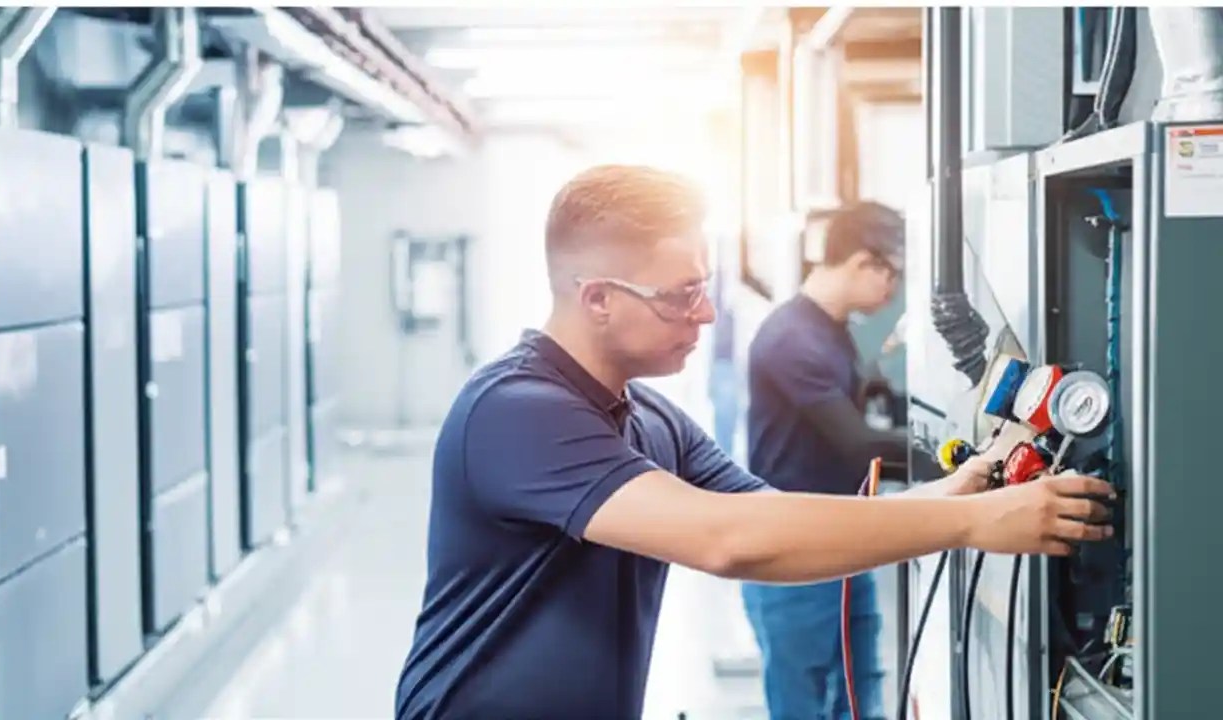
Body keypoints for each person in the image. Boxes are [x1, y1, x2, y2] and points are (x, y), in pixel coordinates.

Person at [394, 165, 1114, 720]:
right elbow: (728, 540)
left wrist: (955, 490)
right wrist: (972, 524)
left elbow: (773, 516)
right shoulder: (516, 413)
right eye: (680, 295)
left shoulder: (646, 416)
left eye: (703, 287)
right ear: (598, 299)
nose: (705, 313)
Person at [743, 201, 916, 720]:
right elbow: (860, 444)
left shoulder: (832, 330)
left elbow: (870, 400)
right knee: (806, 702)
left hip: (840, 542)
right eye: (894, 274)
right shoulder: (793, 338)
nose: (894, 290)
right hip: (794, 553)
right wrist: (955, 458)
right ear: (864, 261)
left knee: (861, 696)